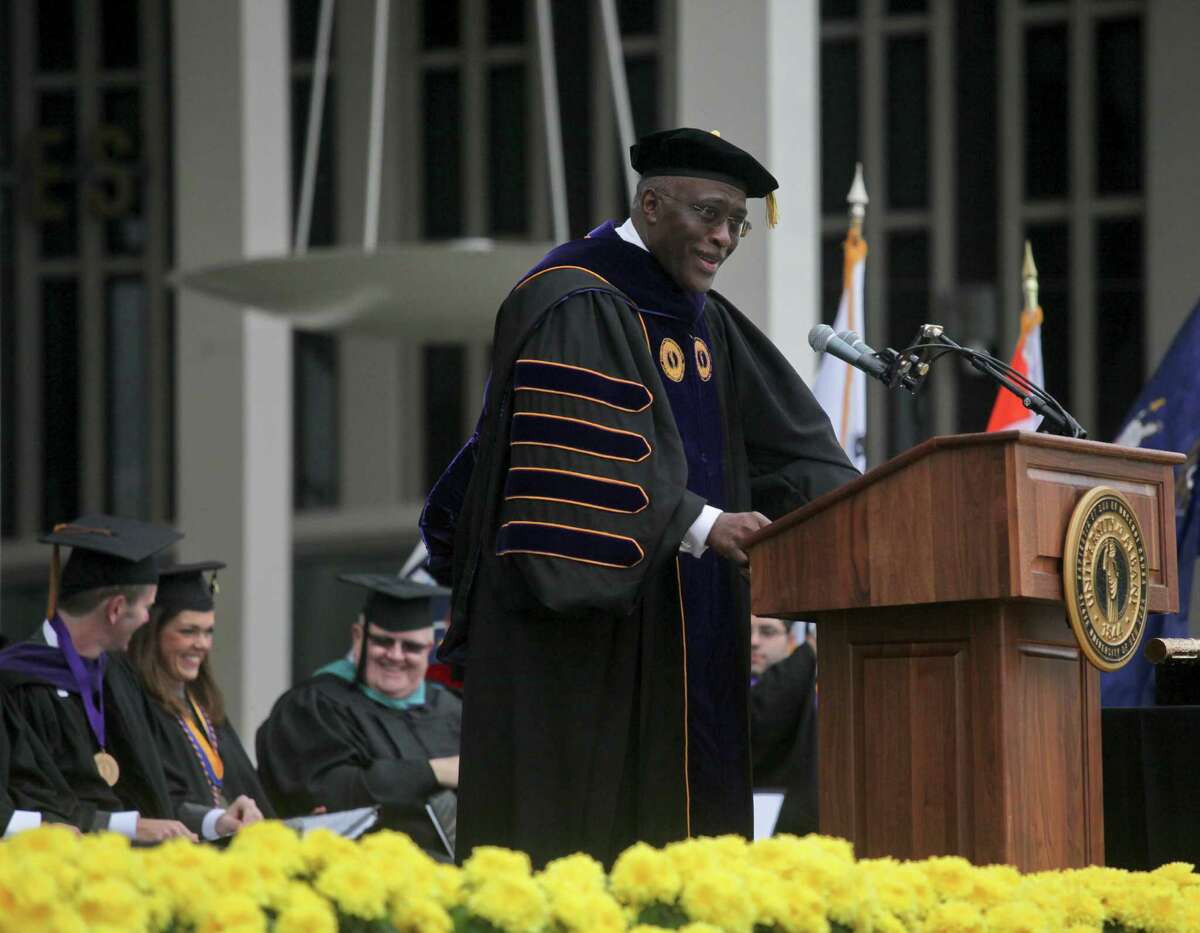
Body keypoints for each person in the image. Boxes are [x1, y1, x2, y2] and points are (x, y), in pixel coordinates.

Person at [421, 127, 859, 865]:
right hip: (591, 650)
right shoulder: (572, 298)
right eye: (709, 214)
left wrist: (868, 517)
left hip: (696, 640)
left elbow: (799, 448)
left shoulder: (708, 320)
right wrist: (703, 521)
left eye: (737, 224)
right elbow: (575, 461)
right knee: (595, 853)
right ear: (652, 203)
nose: (724, 238)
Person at [0, 515, 197, 841]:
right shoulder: (16, 683)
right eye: (147, 607)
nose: (149, 618)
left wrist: (212, 820)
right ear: (116, 609)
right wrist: (126, 826)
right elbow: (32, 800)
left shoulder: (119, 676)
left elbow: (156, 787)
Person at [256, 575, 461, 855]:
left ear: (429, 649)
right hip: (356, 873)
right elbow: (330, 793)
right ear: (357, 637)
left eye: (411, 647)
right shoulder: (315, 706)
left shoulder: (452, 710)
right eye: (383, 642)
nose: (396, 655)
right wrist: (434, 772)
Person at [126, 561, 272, 831]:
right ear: (153, 633)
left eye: (208, 632)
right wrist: (215, 820)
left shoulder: (204, 706)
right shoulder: (137, 706)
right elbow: (157, 798)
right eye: (188, 631)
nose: (202, 644)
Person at [749, 616, 819, 836]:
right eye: (746, 631)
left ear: (791, 640)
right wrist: (809, 652)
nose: (753, 641)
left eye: (767, 632)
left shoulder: (811, 689)